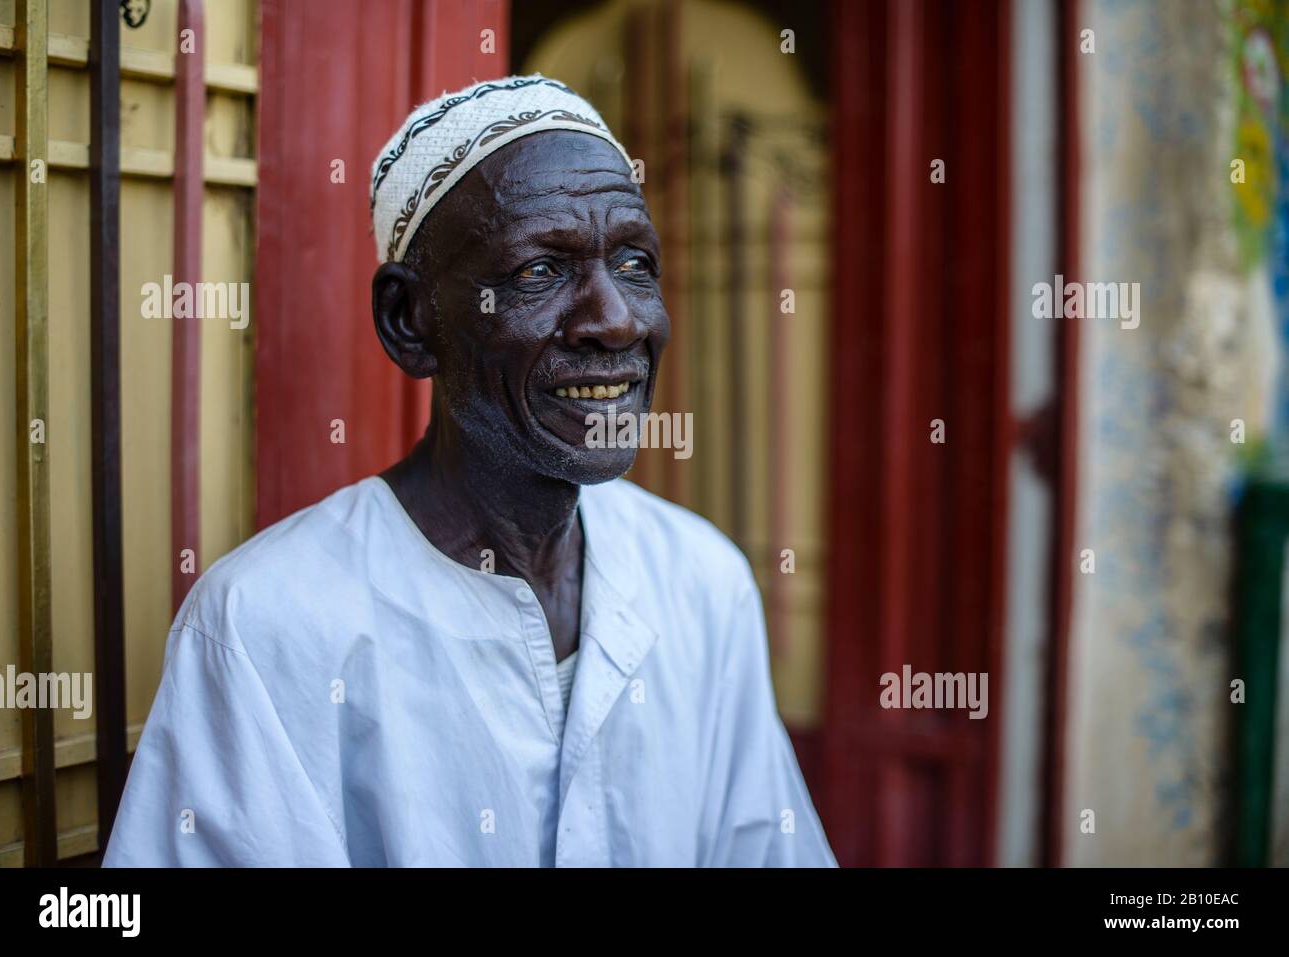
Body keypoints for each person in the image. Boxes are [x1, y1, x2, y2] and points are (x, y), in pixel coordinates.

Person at [104, 75, 835, 867]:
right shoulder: (265, 625)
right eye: (539, 272)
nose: (617, 318)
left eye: (633, 262)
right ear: (409, 321)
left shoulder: (702, 583)